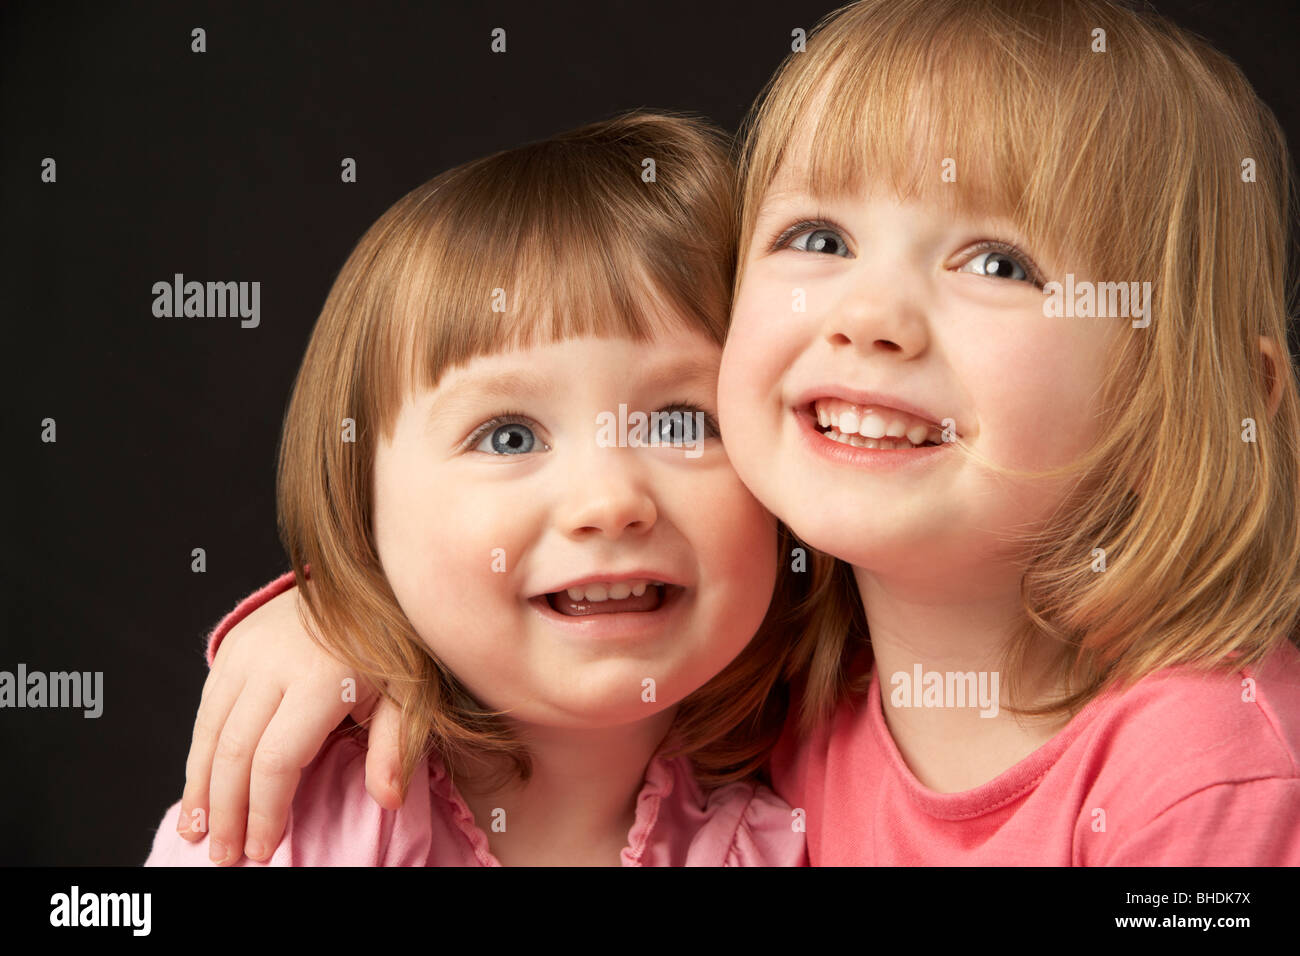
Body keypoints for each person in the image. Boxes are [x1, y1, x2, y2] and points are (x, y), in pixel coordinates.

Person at [170, 0, 1300, 866]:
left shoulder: (1204, 774)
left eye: (997, 263)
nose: (866, 316)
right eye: (816, 235)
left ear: (1207, 396)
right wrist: (335, 615)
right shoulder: (790, 681)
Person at [145, 111, 816, 866]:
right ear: (364, 514)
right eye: (510, 437)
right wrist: (333, 610)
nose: (610, 501)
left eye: (681, 425)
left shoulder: (788, 839)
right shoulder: (293, 821)